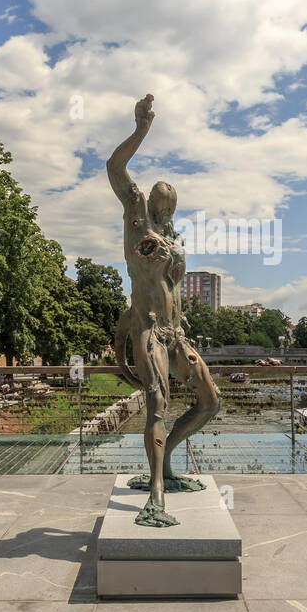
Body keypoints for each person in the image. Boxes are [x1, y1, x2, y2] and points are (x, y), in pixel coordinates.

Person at [108, 93, 219, 527]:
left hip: (176, 332)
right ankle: (155, 496)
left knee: (210, 401)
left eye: (171, 206)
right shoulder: (136, 214)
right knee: (157, 402)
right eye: (162, 203)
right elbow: (115, 170)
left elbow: (174, 285)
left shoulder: (173, 239)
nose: (167, 209)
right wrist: (140, 131)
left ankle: (168, 465)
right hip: (149, 329)